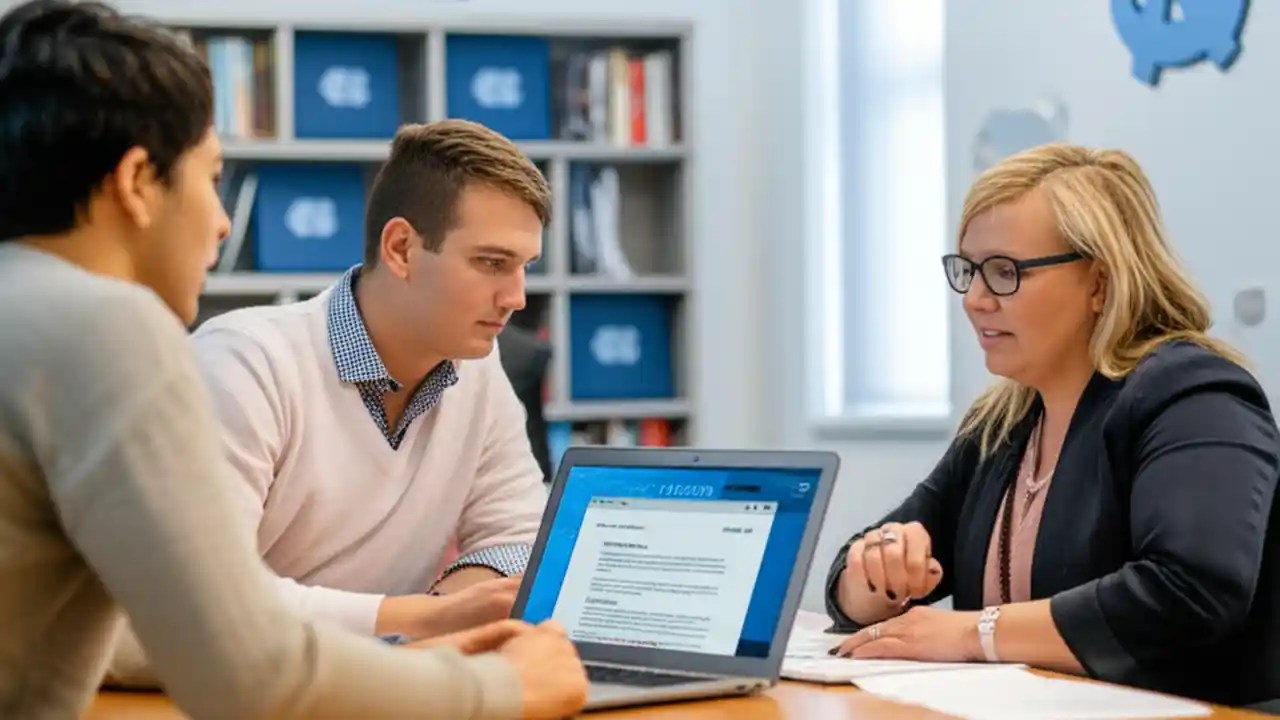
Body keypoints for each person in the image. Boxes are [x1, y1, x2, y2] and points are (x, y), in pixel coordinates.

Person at [0, 1, 586, 718]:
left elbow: (518, 537)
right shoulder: (108, 328)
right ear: (136, 183)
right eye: (212, 179)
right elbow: (243, 667)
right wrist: (504, 686)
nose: (223, 222)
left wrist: (450, 620)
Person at [824, 143, 1280, 706]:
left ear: (1100, 283)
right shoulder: (1001, 423)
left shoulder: (1193, 393)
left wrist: (972, 634)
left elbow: (1191, 591)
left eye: (1004, 272)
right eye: (968, 270)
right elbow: (850, 582)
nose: (974, 299)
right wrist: (878, 574)